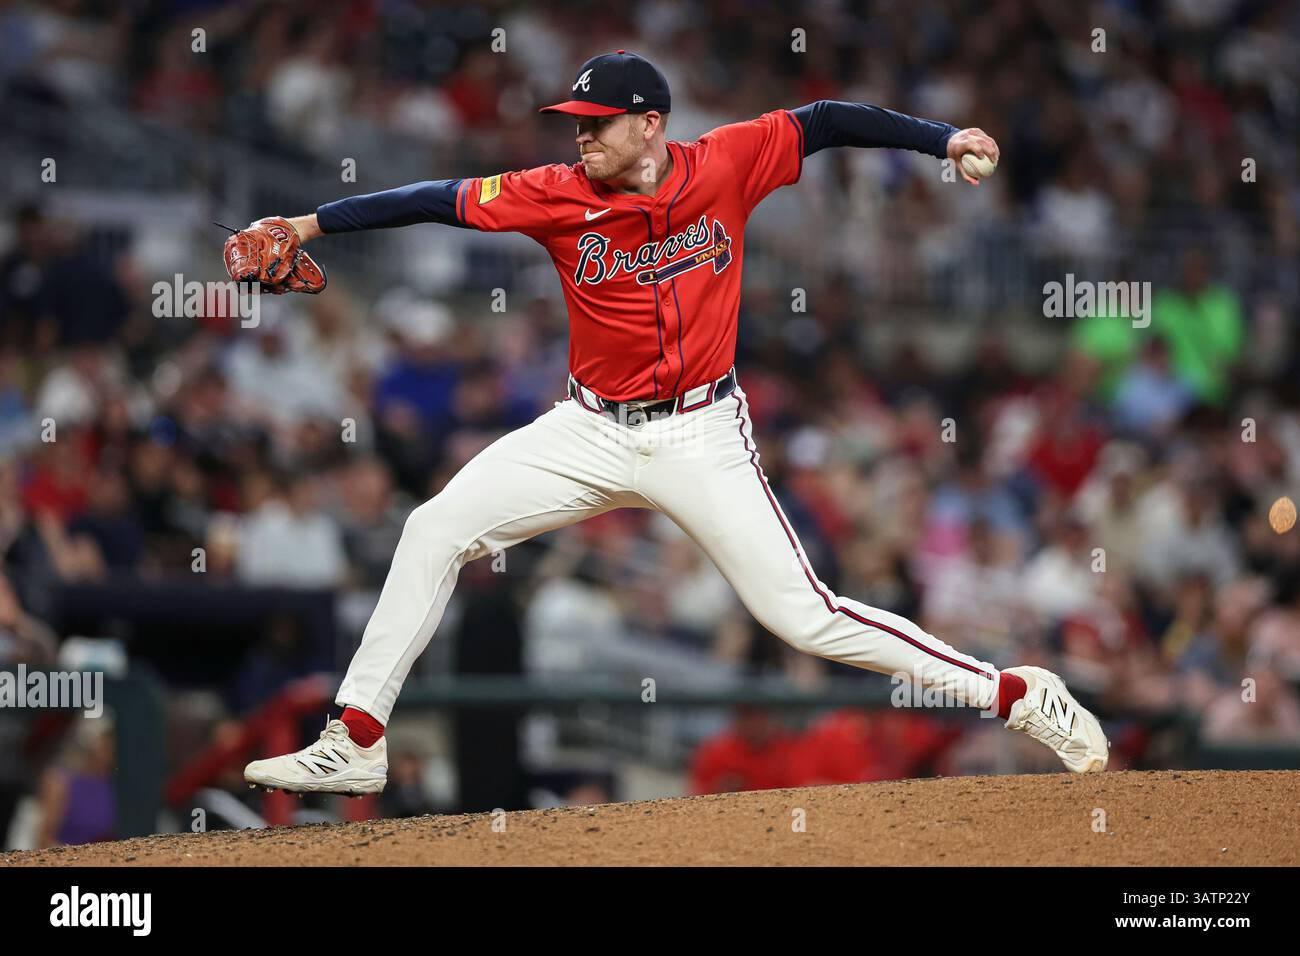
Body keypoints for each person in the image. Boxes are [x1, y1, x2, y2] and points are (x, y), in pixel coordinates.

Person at [241, 51, 1107, 795]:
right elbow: (436, 198)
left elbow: (831, 119)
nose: (580, 136)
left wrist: (942, 138)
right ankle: (354, 740)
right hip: (585, 429)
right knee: (433, 528)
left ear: (649, 124)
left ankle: (1016, 696)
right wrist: (308, 223)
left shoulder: (727, 160)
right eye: (574, 122)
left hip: (699, 433)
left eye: (597, 123)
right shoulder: (554, 192)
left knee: (803, 617)